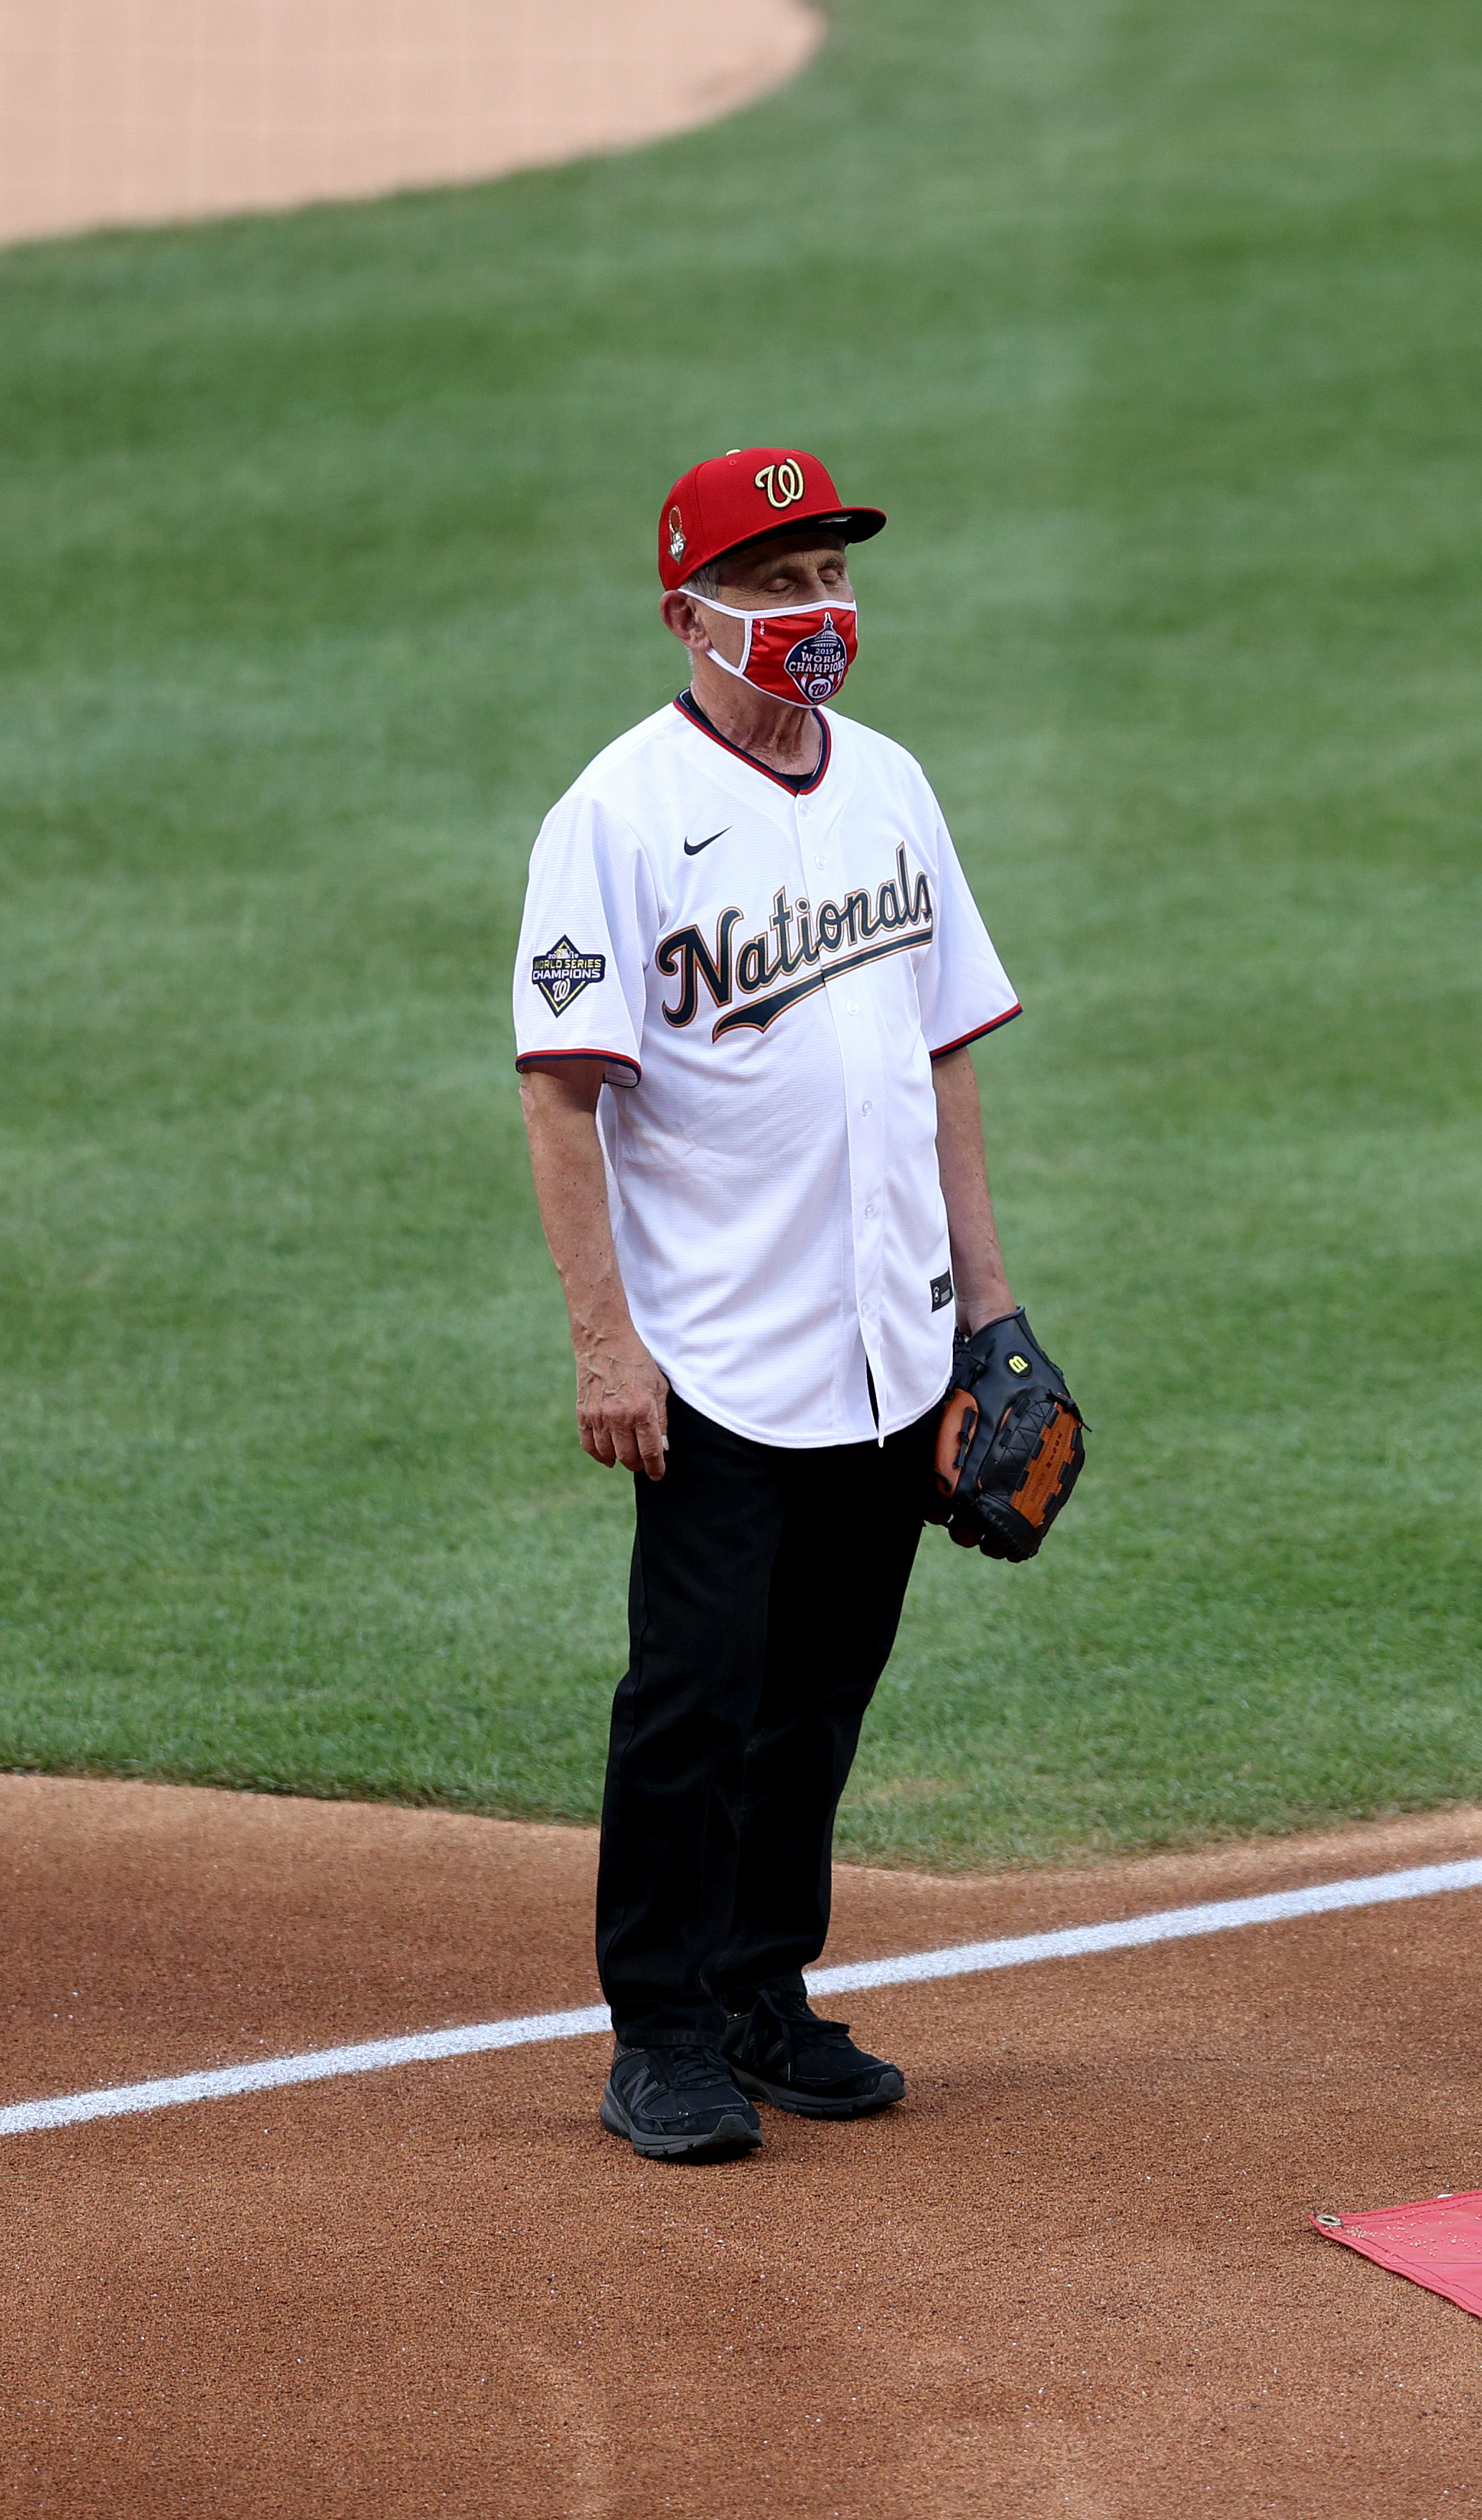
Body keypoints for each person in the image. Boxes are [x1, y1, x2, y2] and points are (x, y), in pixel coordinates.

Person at [514, 445, 1034, 2158]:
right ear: (688, 614)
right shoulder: (617, 816)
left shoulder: (890, 785)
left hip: (891, 1340)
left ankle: (760, 1987)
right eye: (776, 584)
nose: (816, 614)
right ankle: (658, 2027)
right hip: (720, 1355)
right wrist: (608, 1342)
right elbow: (561, 1092)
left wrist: (993, 1318)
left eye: (829, 579)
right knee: (694, 1698)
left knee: (820, 1691)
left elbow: (943, 1060)